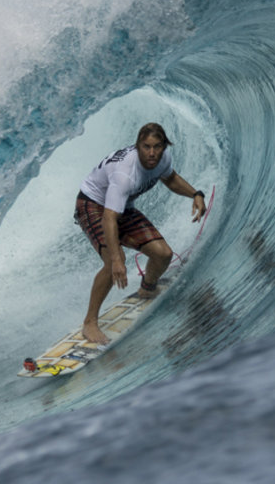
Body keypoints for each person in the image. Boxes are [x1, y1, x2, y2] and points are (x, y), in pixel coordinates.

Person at [74, 122, 207, 345]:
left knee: (162, 254)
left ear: (164, 146)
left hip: (121, 207)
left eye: (157, 147)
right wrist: (116, 259)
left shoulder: (162, 159)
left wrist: (196, 194)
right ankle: (89, 323)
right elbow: (109, 218)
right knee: (112, 262)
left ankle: (147, 289)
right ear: (137, 146)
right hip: (92, 205)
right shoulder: (125, 173)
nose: (152, 153)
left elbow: (170, 179)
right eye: (146, 147)